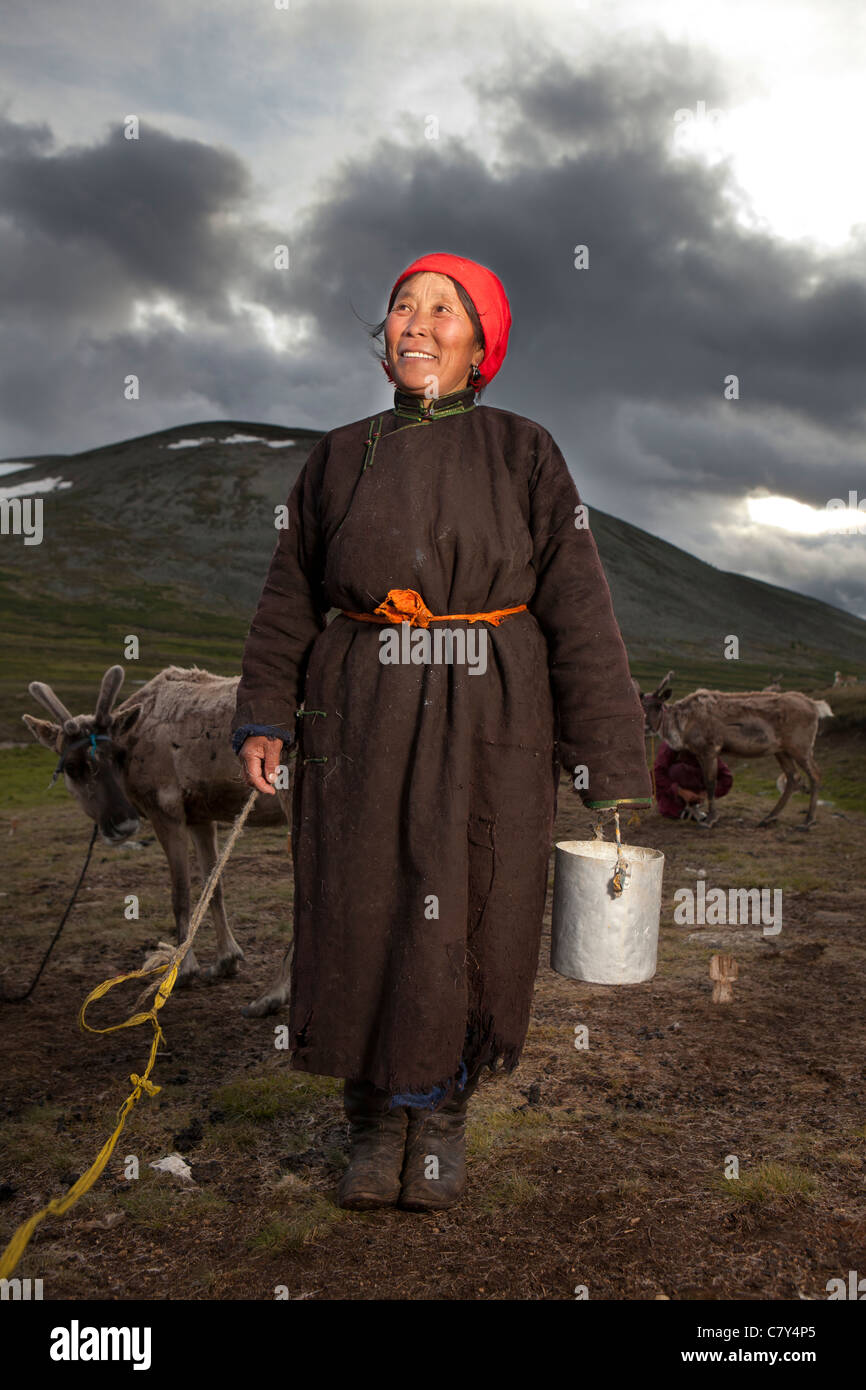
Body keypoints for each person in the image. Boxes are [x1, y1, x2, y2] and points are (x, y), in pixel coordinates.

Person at [230, 251, 652, 1212]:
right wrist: (263, 713)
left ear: (480, 344)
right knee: (360, 900)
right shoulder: (338, 456)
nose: (415, 324)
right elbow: (288, 598)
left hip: (490, 711)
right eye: (400, 310)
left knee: (469, 906)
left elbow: (581, 610)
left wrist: (609, 761)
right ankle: (373, 1117)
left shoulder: (524, 451)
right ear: (384, 344)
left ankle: (442, 1113)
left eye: (441, 310)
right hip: (360, 712)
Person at [652, 740, 733, 821]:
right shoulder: (671, 744)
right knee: (678, 771)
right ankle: (677, 808)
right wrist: (680, 791)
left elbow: (726, 777)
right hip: (673, 787)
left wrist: (707, 793)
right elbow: (657, 774)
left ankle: (692, 807)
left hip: (697, 787)